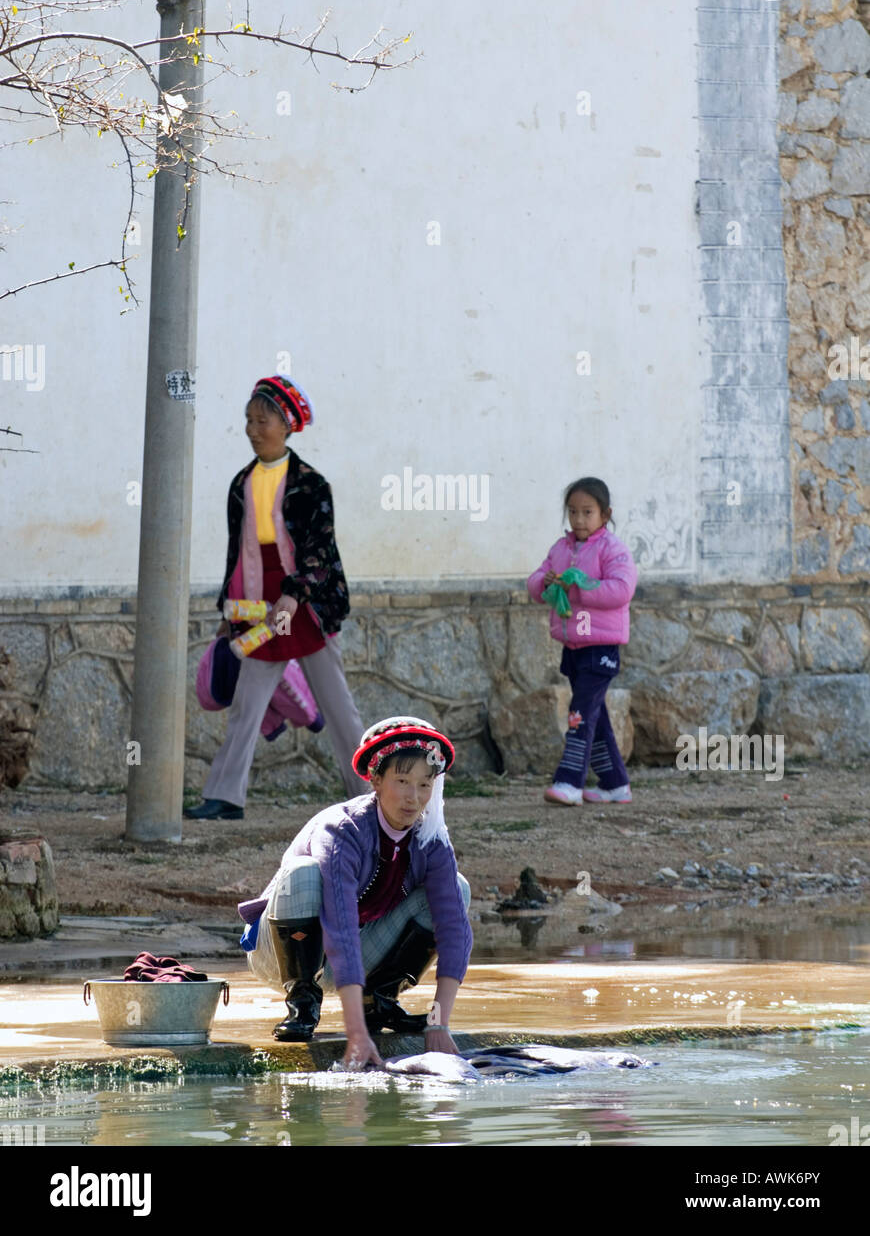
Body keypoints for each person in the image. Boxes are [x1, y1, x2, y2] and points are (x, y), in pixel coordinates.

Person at [238, 716, 473, 1070]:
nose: (414, 797)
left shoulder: (431, 839)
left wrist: (438, 1021)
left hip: (357, 953)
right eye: (402, 781)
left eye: (425, 785)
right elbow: (340, 924)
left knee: (458, 888)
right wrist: (356, 1034)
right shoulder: (342, 830)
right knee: (303, 873)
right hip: (282, 951)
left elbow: (454, 931)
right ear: (376, 780)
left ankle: (375, 1000)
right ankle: (302, 998)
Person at [185, 374, 367, 820]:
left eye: (262, 419)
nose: (252, 428)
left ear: (286, 424)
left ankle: (367, 792)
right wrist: (229, 609)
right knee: (248, 702)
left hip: (306, 605)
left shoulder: (310, 484)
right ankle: (225, 796)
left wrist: (294, 596)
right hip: (258, 601)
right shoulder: (240, 484)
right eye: (248, 419)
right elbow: (237, 550)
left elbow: (320, 551)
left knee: (337, 704)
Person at [527, 476, 637, 806]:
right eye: (573, 512)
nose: (578, 520)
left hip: (600, 648)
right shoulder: (560, 549)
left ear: (605, 514)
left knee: (579, 713)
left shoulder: (613, 550)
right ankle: (615, 783)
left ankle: (569, 781)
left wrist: (579, 586)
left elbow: (621, 590)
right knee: (594, 716)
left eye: (587, 512)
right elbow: (535, 582)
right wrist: (544, 581)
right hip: (574, 647)